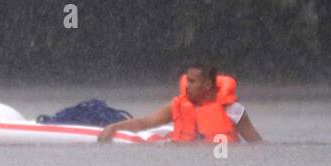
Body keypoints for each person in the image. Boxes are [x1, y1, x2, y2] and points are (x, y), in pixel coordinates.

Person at [96, 65, 262, 143]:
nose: (186, 86)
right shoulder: (177, 106)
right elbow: (145, 122)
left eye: (192, 81)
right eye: (186, 80)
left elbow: (257, 145)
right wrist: (113, 128)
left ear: (207, 85)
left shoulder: (233, 110)